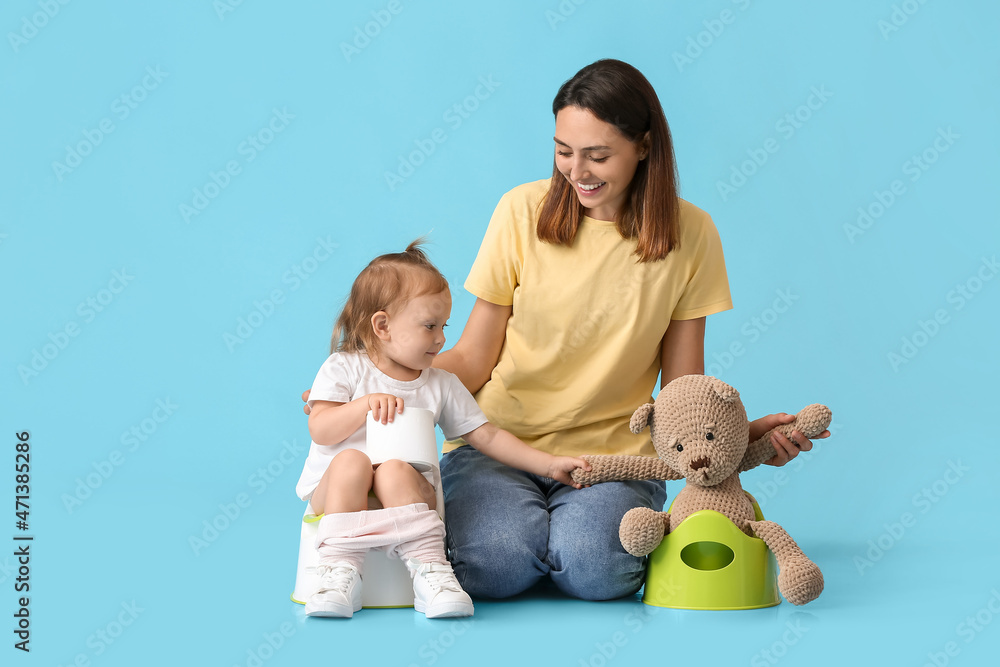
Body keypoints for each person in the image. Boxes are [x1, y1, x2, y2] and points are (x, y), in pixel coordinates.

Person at [429, 59, 831, 601]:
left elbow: (684, 386)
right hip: (498, 445)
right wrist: (380, 377)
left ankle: (552, 546)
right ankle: (530, 541)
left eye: (598, 155)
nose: (578, 171)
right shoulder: (519, 211)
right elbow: (473, 357)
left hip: (616, 458)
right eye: (563, 151)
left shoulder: (692, 234)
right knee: (491, 567)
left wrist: (742, 439)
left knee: (598, 573)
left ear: (644, 146)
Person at [296, 241, 589, 618]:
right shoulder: (343, 368)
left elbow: (487, 435)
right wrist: (361, 406)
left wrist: (547, 464)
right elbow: (320, 429)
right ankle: (339, 572)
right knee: (352, 460)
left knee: (396, 468)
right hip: (335, 489)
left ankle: (430, 572)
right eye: (429, 326)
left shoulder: (440, 383)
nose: (441, 339)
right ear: (382, 325)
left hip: (405, 490)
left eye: (444, 326)